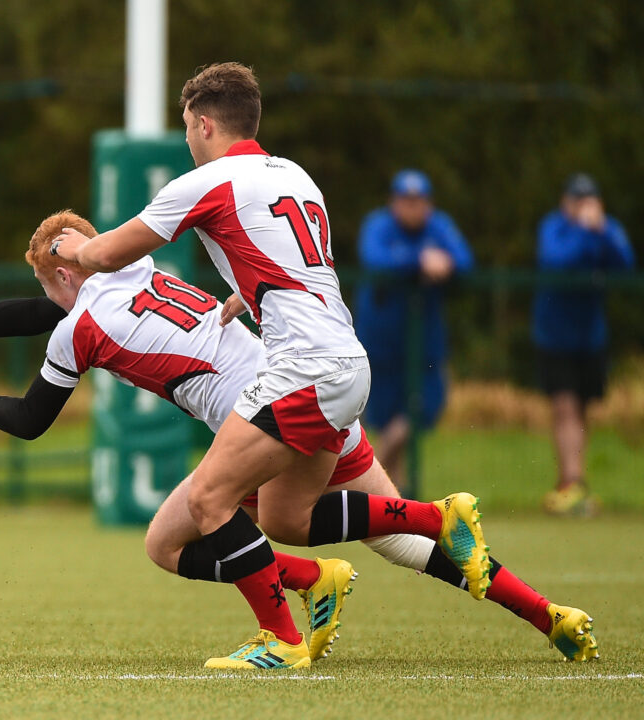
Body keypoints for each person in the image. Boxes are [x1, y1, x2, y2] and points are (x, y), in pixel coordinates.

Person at [0, 209, 599, 665]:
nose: (49, 300)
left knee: (216, 511)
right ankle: (546, 613)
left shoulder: (79, 323)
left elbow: (29, 419)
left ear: (66, 274)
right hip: (303, 385)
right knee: (177, 540)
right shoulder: (137, 267)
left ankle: (289, 629)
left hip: (265, 413)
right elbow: (42, 307)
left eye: (52, 282)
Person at [37, 62, 497, 671]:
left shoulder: (207, 180)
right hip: (343, 357)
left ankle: (285, 637)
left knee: (208, 499)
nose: (185, 142)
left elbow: (103, 252)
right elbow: (294, 267)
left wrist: (70, 249)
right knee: (285, 516)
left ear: (204, 123)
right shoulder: (296, 175)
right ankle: (425, 523)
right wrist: (244, 293)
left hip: (301, 367)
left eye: (185, 129)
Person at [354, 170, 474, 490]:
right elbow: (374, 258)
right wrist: (419, 260)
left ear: (429, 204)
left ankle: (367, 480)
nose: (412, 208)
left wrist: (445, 264)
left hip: (425, 346)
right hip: (380, 345)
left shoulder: (439, 226)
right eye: (406, 201)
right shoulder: (379, 225)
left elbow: (464, 260)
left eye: (419, 201)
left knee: (424, 410)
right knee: (385, 419)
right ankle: (396, 501)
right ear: (394, 202)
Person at [533, 173, 635, 516]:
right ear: (566, 202)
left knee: (582, 411)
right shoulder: (555, 228)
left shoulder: (605, 229)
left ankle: (573, 482)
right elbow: (556, 261)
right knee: (563, 407)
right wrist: (583, 230)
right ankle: (571, 484)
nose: (584, 206)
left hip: (591, 337)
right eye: (577, 200)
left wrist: (600, 230)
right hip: (554, 335)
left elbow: (625, 262)